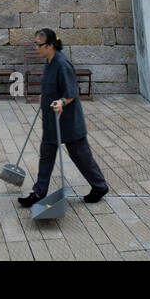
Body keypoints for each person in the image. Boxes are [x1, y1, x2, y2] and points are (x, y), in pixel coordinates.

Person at [18, 28, 110, 208]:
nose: (36, 48)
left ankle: (100, 187)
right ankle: (39, 192)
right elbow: (52, 85)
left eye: (39, 44)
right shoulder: (49, 62)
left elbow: (71, 93)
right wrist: (45, 95)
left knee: (81, 156)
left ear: (50, 45)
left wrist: (61, 101)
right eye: (35, 44)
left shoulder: (62, 64)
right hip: (52, 121)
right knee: (46, 156)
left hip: (69, 122)